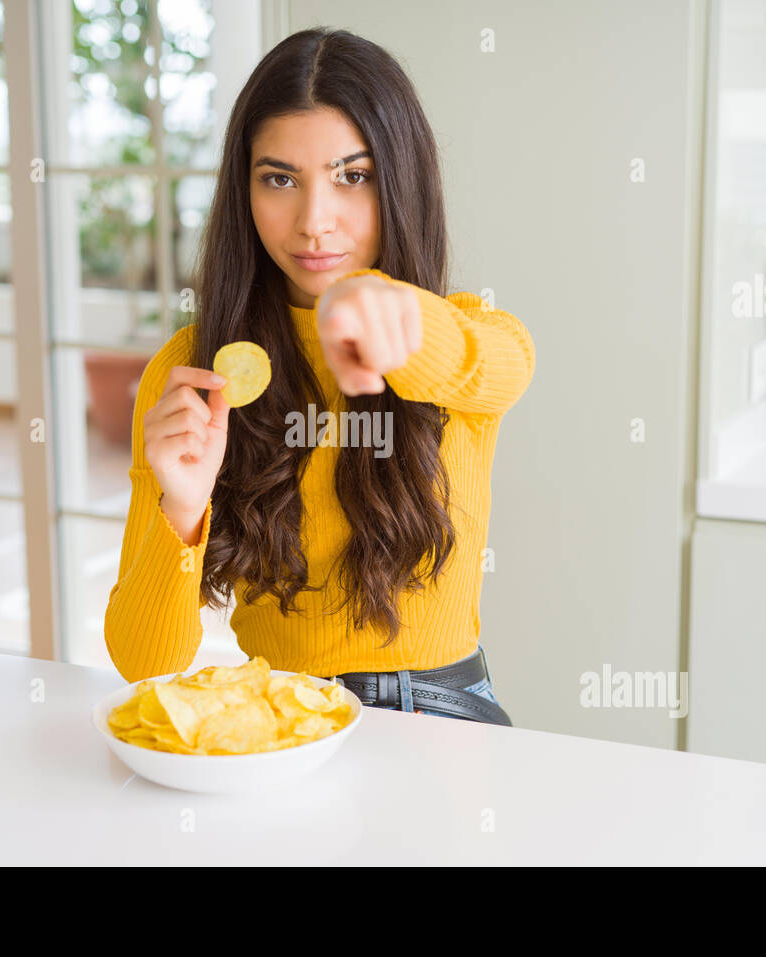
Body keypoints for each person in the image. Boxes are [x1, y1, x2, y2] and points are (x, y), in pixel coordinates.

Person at [104, 27, 534, 725]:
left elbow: (503, 367)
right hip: (280, 719)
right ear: (243, 188)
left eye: (351, 176)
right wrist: (179, 509)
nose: (313, 222)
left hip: (440, 710)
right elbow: (143, 661)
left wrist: (397, 319)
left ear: (400, 181)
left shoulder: (462, 335)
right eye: (280, 178)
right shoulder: (193, 371)